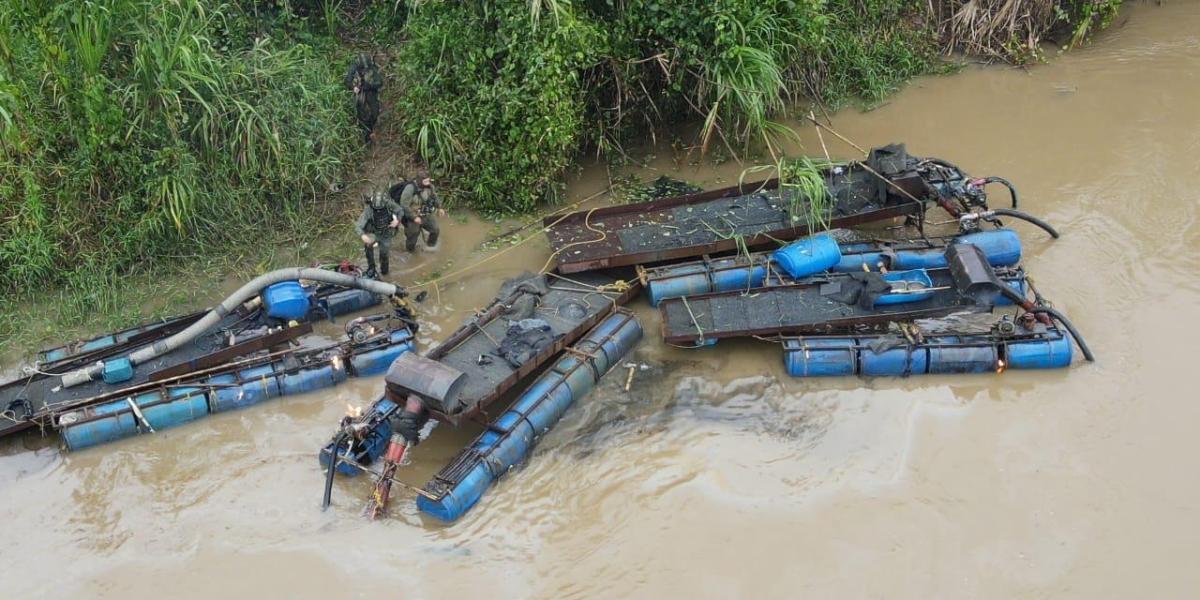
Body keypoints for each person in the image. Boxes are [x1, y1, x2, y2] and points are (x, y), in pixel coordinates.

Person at [354, 190, 404, 277]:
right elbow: (358, 226)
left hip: (386, 233)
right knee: (368, 247)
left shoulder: (389, 204)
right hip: (373, 232)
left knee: (384, 254)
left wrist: (397, 221)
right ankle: (371, 267)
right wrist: (362, 235)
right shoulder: (368, 210)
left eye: (380, 209)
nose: (378, 211)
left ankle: (385, 271)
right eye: (376, 209)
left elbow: (400, 211)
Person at [396, 170, 446, 252]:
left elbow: (434, 197)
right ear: (419, 180)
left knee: (435, 230)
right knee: (412, 237)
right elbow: (404, 205)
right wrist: (414, 217)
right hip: (412, 216)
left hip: (425, 214)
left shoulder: (430, 187)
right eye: (425, 181)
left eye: (428, 180)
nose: (427, 183)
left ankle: (430, 247)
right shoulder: (410, 188)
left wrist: (440, 207)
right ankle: (410, 252)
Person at [343, 53, 383, 144]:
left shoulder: (371, 67)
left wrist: (371, 85)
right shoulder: (354, 67)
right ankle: (366, 136)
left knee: (375, 112)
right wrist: (353, 87)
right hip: (359, 92)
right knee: (362, 114)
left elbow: (380, 82)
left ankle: (370, 130)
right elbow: (347, 80)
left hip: (370, 91)